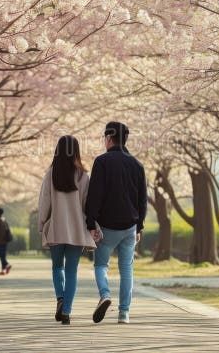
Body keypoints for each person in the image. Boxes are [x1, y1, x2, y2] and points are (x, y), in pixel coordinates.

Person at [85, 121, 147, 324]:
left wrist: (91, 223)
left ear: (109, 138)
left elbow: (94, 195)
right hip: (130, 226)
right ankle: (124, 313)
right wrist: (139, 226)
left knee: (101, 265)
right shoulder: (137, 165)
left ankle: (105, 294)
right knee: (126, 269)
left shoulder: (102, 162)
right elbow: (142, 200)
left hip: (106, 227)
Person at [38, 135, 97, 325]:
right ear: (77, 151)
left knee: (57, 267)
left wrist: (42, 224)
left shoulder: (50, 174)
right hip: (77, 230)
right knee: (72, 270)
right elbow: (88, 205)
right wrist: (93, 226)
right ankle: (66, 312)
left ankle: (60, 299)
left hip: (56, 228)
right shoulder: (83, 176)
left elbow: (44, 202)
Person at [0, 207, 12, 275]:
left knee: (1, 256)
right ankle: (3, 270)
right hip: (5, 240)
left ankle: (7, 265)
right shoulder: (4, 219)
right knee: (3, 255)